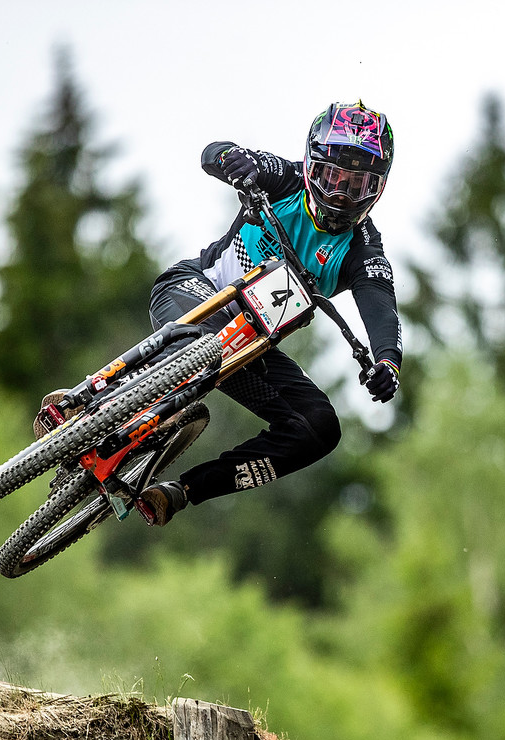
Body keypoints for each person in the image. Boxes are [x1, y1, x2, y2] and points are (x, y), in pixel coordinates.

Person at [134, 102, 401, 525]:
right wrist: (230, 160)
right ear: (313, 166)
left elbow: (381, 310)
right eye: (333, 177)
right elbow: (213, 152)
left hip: (245, 347)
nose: (338, 194)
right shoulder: (286, 177)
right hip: (193, 292)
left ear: (377, 189)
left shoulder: (363, 250)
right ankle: (96, 403)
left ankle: (182, 491)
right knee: (201, 344)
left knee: (320, 427)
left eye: (355, 185)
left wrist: (387, 360)